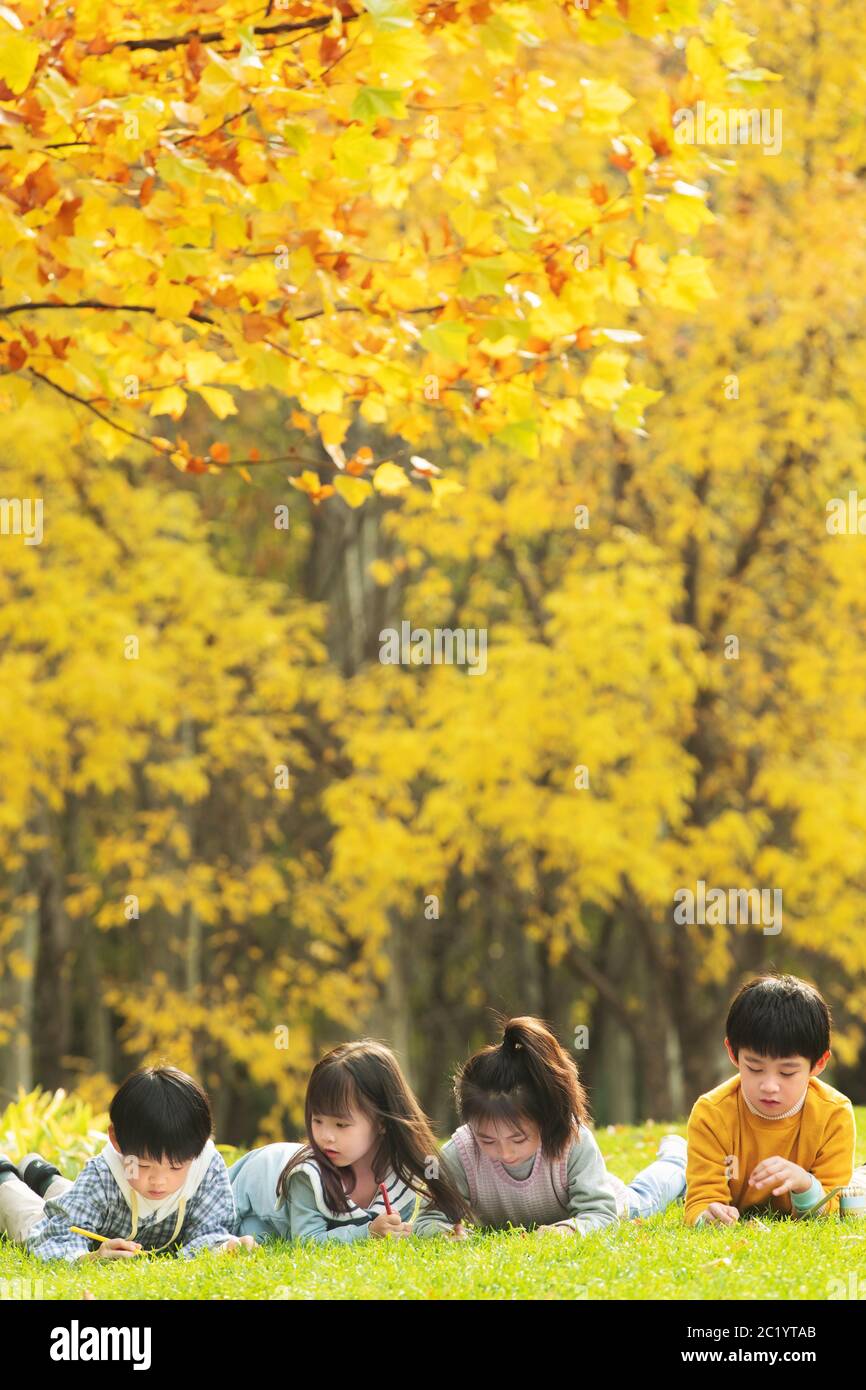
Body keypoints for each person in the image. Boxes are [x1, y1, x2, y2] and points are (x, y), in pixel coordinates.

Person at [413, 1015, 688, 1237]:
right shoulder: (460, 1153)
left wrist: (571, 1229)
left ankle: (676, 1160)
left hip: (613, 1200)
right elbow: (428, 1219)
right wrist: (445, 1232)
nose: (505, 1152)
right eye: (487, 1141)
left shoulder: (573, 1141)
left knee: (645, 1196)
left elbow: (601, 1214)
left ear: (544, 1119)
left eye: (518, 1139)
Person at [0, 1064, 253, 1260]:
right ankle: (6, 1177)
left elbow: (209, 1233)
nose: (159, 1180)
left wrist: (224, 1247)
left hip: (85, 1203)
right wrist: (89, 1257)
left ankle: (44, 1178)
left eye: (176, 1167)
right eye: (143, 1165)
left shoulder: (205, 1167)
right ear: (116, 1140)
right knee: (32, 1222)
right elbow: (58, 1235)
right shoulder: (103, 1174)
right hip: (73, 1213)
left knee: (72, 1200)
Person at [229, 1039, 470, 1242]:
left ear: (382, 1123)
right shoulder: (307, 1175)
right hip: (248, 1191)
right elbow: (307, 1240)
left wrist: (440, 1232)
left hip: (275, 1220)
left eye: (341, 1125)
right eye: (317, 1120)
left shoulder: (399, 1175)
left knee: (263, 1237)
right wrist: (367, 1233)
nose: (325, 1136)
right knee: (243, 1233)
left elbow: (398, 1230)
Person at [684, 973, 856, 1226]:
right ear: (733, 1053)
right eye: (754, 1068)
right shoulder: (712, 1114)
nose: (769, 1086)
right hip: (703, 1165)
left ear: (818, 1063)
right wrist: (709, 1217)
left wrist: (804, 1184)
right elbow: (701, 1201)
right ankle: (676, 1158)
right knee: (674, 1179)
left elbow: (834, 1208)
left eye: (787, 1072)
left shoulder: (833, 1115)